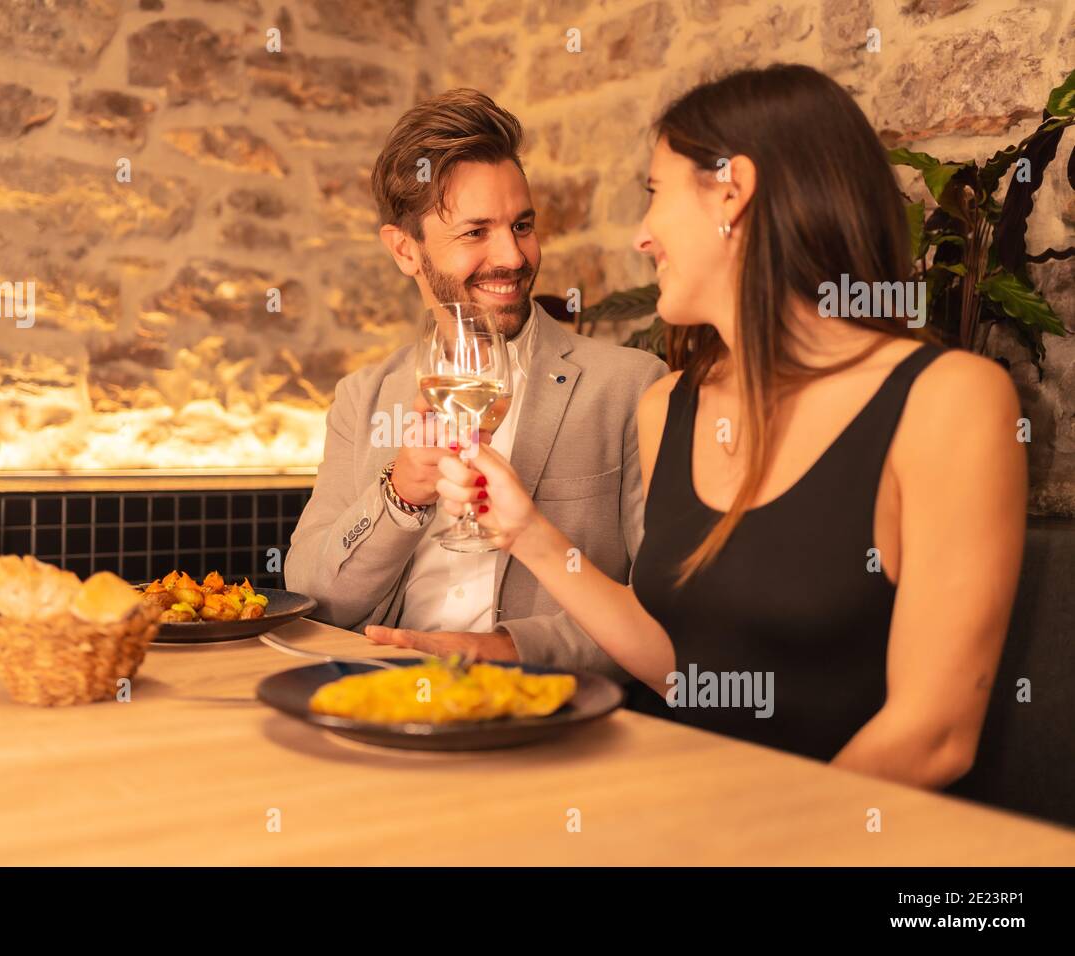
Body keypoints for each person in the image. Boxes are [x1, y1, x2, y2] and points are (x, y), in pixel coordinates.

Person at [433, 65, 1026, 789]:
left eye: (655, 195)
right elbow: (685, 667)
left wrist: (742, 845)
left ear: (732, 194)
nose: (642, 237)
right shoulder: (669, 408)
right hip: (693, 809)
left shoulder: (948, 401)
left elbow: (931, 737)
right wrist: (527, 532)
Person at [285, 88, 668, 677]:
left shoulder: (630, 387)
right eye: (475, 232)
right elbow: (316, 595)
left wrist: (504, 650)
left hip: (547, 714)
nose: (513, 257)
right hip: (385, 698)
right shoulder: (364, 398)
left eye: (522, 225)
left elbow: (663, 619)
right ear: (405, 251)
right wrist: (403, 493)